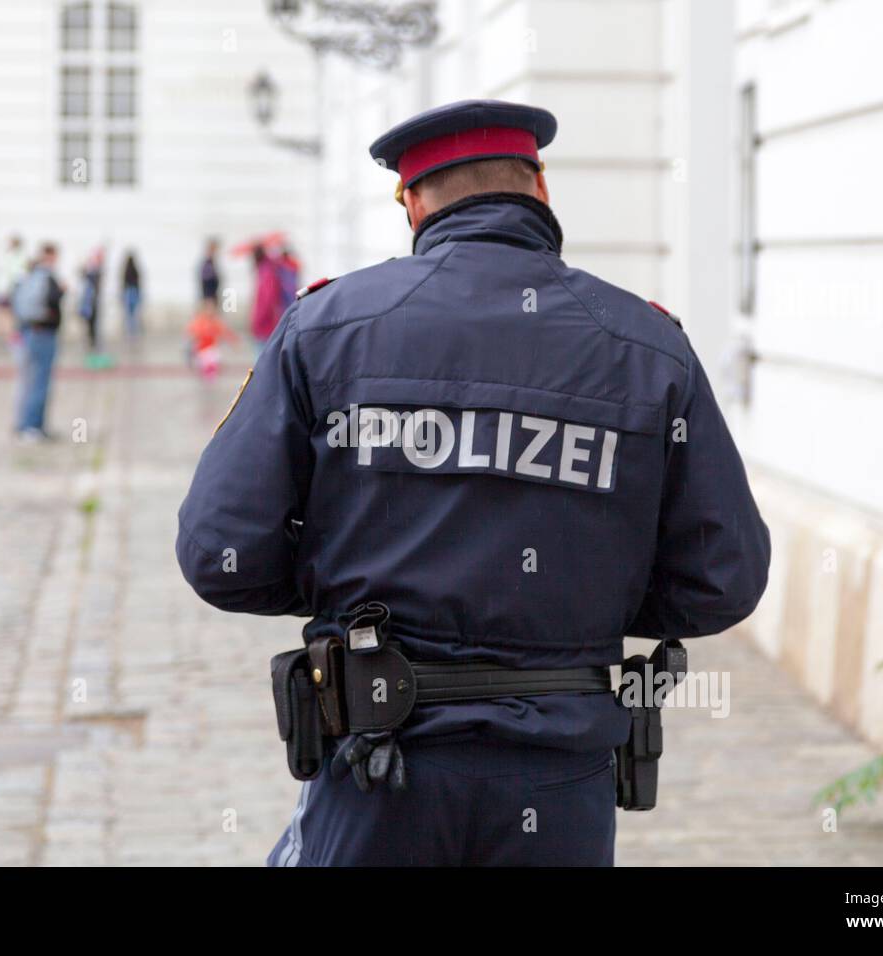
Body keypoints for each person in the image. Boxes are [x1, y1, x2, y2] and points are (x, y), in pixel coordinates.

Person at [175, 100, 771, 867]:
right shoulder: (648, 346)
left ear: (414, 205)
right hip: (561, 782)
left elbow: (219, 552)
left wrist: (347, 579)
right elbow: (723, 578)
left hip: (378, 764)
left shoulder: (329, 327)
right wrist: (582, 594)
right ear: (540, 191)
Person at [11, 243, 64, 442]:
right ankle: (32, 426)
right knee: (40, 382)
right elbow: (52, 299)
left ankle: (27, 424)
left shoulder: (29, 275)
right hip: (44, 334)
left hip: (31, 331)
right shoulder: (46, 277)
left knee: (29, 380)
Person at [186, 298, 237, 380]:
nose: (210, 311)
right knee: (206, 362)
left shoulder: (216, 321)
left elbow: (225, 332)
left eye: (212, 308)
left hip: (212, 350)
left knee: (214, 359)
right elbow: (191, 333)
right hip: (202, 350)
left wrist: (234, 342)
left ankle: (211, 374)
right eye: (208, 308)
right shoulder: (199, 321)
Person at [248, 245, 282, 355]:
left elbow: (267, 300)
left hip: (265, 323)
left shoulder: (266, 272)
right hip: (269, 321)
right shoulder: (268, 269)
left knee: (262, 356)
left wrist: (257, 319)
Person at [78, 247, 104, 352]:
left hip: (93, 302)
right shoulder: (90, 272)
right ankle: (91, 344)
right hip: (89, 303)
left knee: (93, 326)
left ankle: (93, 344)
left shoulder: (96, 272)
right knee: (90, 325)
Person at [122, 252, 143, 340]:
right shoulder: (135, 269)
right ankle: (134, 332)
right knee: (134, 314)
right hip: (134, 292)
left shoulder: (126, 270)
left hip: (128, 293)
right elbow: (138, 282)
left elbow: (124, 283)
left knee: (129, 315)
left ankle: (130, 333)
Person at [198, 238, 221, 305]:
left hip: (212, 296)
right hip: (209, 298)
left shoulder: (212, 262)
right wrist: (209, 298)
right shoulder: (207, 264)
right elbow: (207, 283)